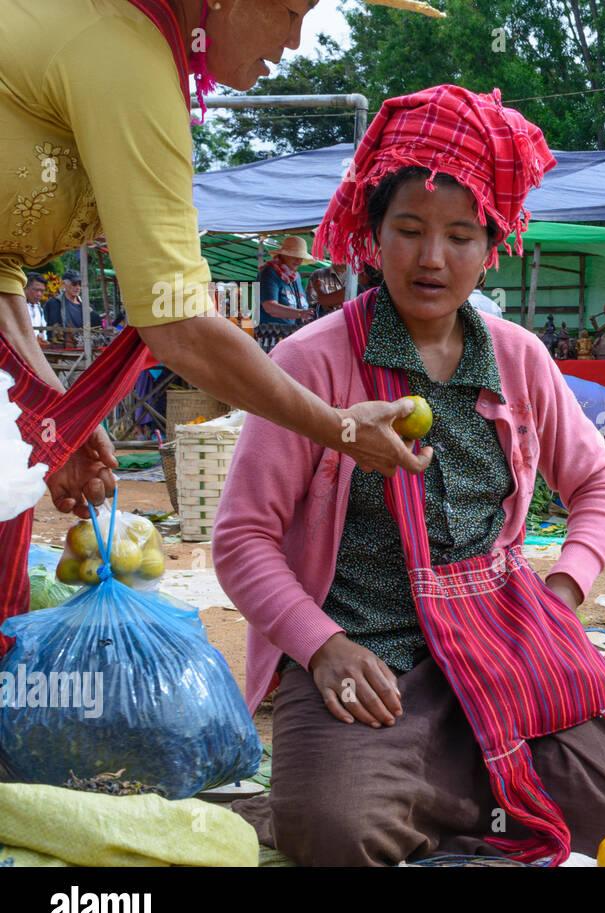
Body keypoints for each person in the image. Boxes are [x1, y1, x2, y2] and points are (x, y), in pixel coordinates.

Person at [212, 85, 605, 867]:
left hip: (497, 638)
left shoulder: (518, 357)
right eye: (409, 230)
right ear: (371, 234)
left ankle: (437, 801)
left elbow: (599, 485)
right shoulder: (312, 363)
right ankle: (439, 797)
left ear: (491, 246)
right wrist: (320, 646)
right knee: (337, 833)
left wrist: (565, 591)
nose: (432, 259)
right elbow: (243, 538)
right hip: (367, 652)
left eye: (461, 236)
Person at [0, 0, 431, 650]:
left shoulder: (134, 54)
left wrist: (50, 417)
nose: (294, 41)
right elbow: (178, 323)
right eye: (289, 10)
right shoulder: (122, 50)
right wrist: (341, 427)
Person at [257, 236, 314, 326]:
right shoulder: (269, 272)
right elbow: (270, 307)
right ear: (284, 254)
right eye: (294, 256)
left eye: (301, 257)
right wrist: (300, 313)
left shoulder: (296, 276)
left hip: (291, 332)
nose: (298, 260)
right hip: (270, 334)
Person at [43, 269, 101, 348]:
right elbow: (50, 325)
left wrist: (92, 314)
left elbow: (97, 328)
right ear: (63, 284)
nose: (78, 287)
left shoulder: (88, 306)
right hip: (62, 349)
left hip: (84, 348)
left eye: (80, 284)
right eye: (74, 284)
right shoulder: (54, 303)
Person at [22, 274, 46, 344]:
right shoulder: (16, 306)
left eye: (42, 291)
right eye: (36, 290)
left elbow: (43, 332)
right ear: (25, 288)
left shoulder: (39, 308)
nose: (39, 294)